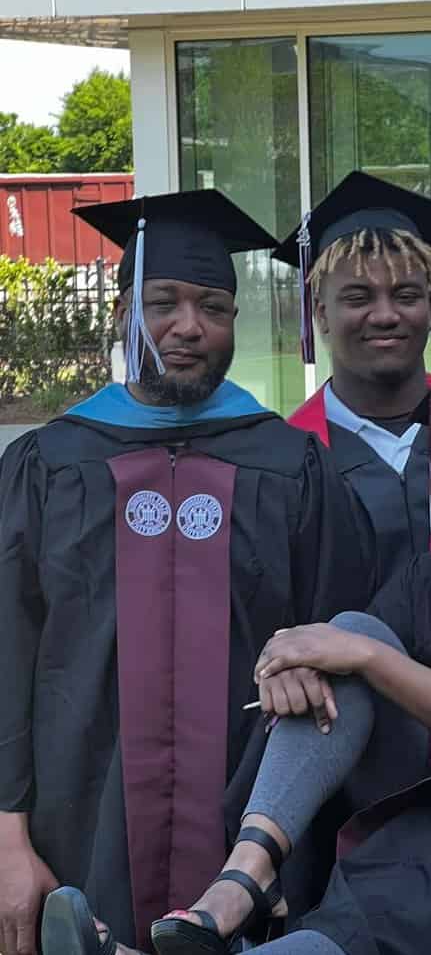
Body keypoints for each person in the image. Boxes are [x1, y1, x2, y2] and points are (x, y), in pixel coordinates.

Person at [42, 336, 431, 955]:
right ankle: (246, 873)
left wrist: (368, 658)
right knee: (350, 633)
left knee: (385, 893)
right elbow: (344, 659)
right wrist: (289, 663)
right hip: (421, 824)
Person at [0, 190, 376, 955]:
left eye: (213, 307)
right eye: (163, 302)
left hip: (249, 830)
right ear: (121, 314)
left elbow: (347, 644)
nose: (188, 326)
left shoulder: (292, 467)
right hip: (76, 829)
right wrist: (7, 837)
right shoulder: (48, 464)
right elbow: (4, 654)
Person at [275, 172, 431, 582]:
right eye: (358, 298)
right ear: (321, 314)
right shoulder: (287, 460)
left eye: (406, 296)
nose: (385, 316)